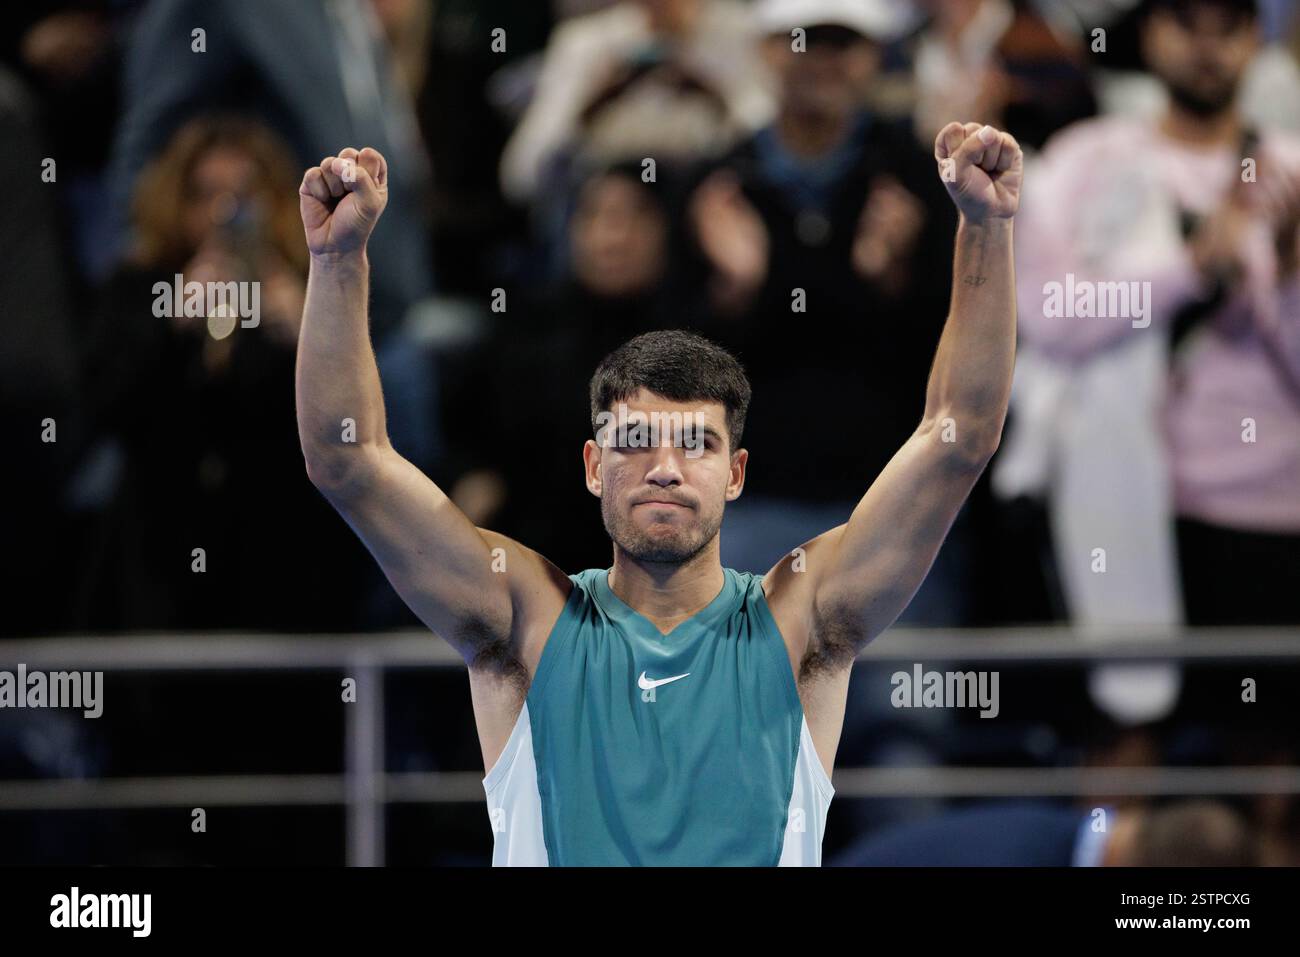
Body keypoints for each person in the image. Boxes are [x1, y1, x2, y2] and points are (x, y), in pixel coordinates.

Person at [293, 120, 1022, 865]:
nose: (665, 468)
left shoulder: (801, 621)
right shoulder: (523, 620)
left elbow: (958, 434)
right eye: (636, 442)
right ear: (591, 465)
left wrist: (985, 226)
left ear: (736, 474)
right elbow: (347, 462)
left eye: (697, 444)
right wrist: (337, 258)